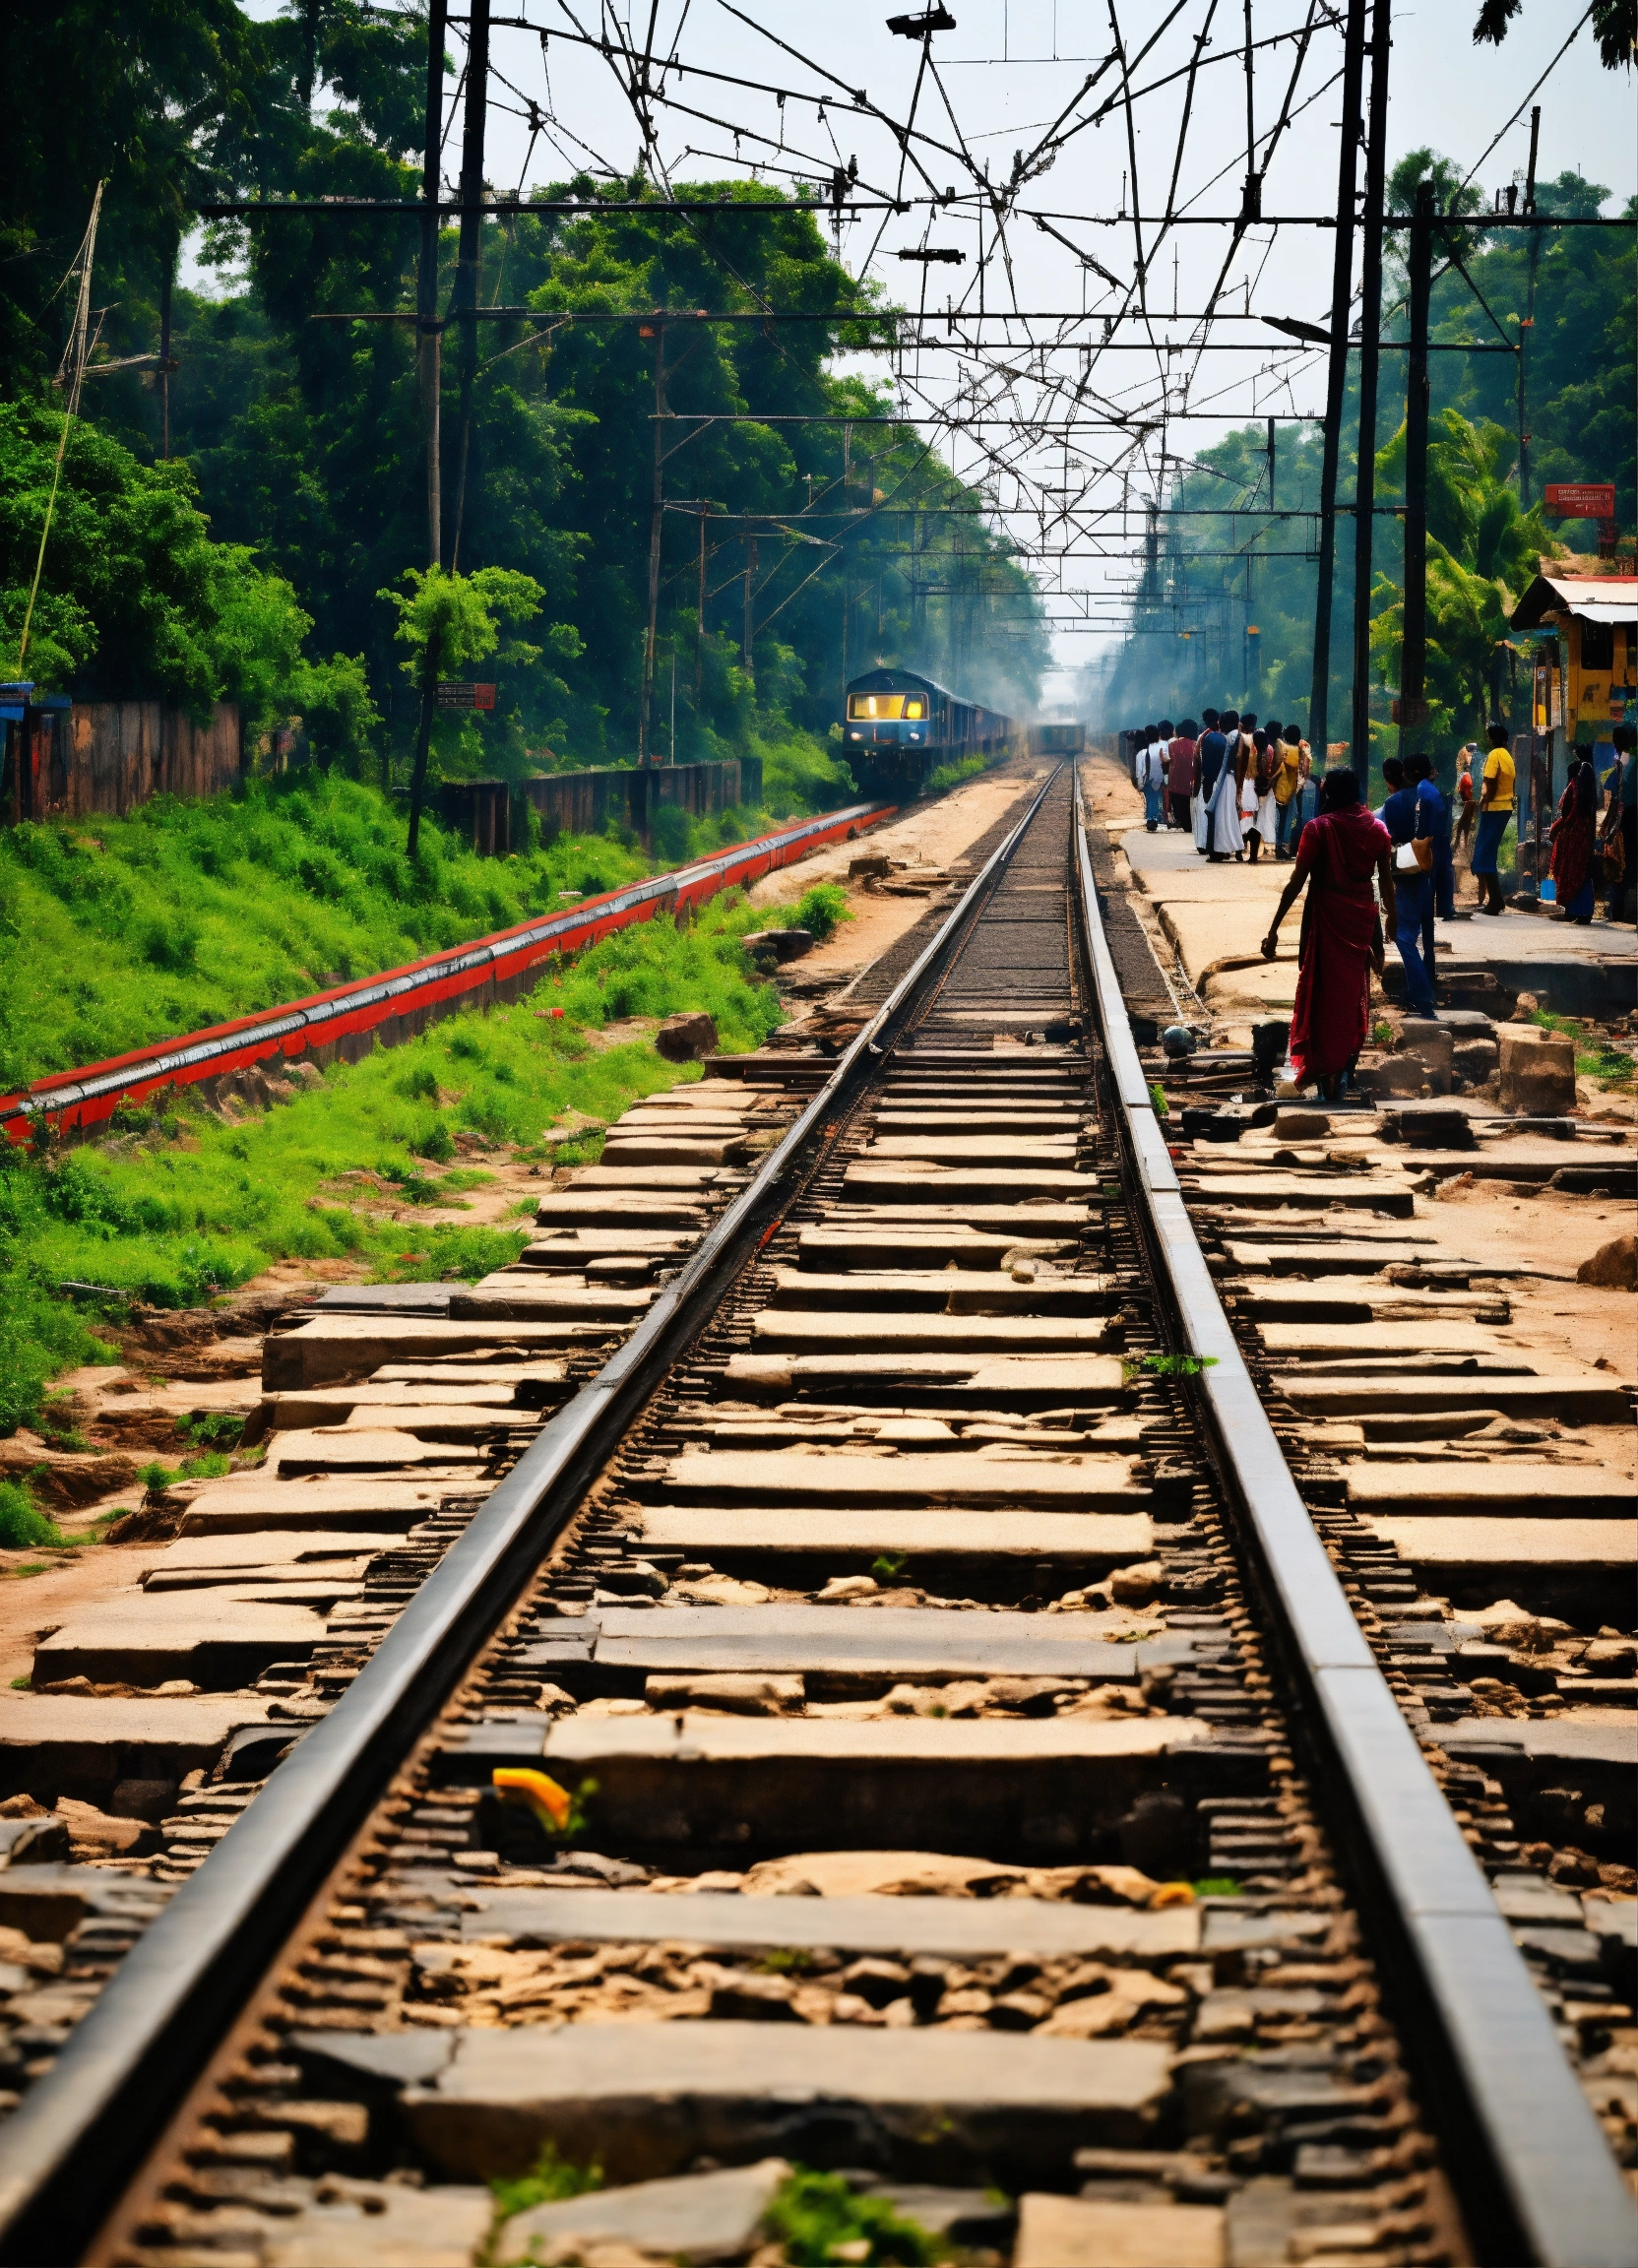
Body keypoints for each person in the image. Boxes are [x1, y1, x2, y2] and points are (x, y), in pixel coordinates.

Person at [1261, 768, 1396, 1102]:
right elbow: (1386, 882)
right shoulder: (1377, 830)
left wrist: (1274, 929)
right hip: (1361, 918)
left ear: (1328, 793)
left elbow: (1296, 882)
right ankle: (1343, 1066)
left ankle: (1327, 1067)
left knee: (1322, 994)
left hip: (1326, 915)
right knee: (1351, 995)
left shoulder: (1318, 828)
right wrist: (1392, 916)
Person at [1379, 756, 1435, 1017]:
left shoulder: (1393, 803)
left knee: (1403, 937)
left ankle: (1423, 996)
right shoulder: (1428, 796)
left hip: (1404, 869)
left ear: (1389, 780)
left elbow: (1389, 840)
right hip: (1427, 868)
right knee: (1418, 934)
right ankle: (1420, 990)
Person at [1548, 745, 1599, 924]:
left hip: (1573, 835)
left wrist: (1557, 827)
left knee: (1571, 872)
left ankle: (1575, 910)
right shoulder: (1588, 785)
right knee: (1580, 872)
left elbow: (1569, 813)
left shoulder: (1575, 785)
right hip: (1581, 835)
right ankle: (1581, 910)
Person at [1473, 723, 1515, 915]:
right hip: (1505, 807)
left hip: (1494, 808)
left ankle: (1496, 901)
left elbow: (1489, 783)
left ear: (1491, 738)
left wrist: (1481, 804)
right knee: (1488, 851)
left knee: (1484, 852)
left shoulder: (1494, 755)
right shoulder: (1507, 756)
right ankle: (1495, 899)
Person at [1199, 707, 1245, 861]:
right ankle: (1232, 847)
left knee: (1221, 815)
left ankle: (1220, 849)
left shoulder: (1229, 739)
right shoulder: (1238, 736)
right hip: (1232, 780)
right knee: (1229, 815)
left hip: (1225, 780)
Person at [1272, 722, 1302, 857]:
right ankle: (1281, 845)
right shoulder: (1298, 751)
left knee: (1277, 818)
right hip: (1290, 788)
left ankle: (1275, 844)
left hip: (1277, 786)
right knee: (1286, 819)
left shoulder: (1279, 746)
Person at [1167, 720, 1197, 832]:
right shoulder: (1196, 745)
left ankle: (1184, 824)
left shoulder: (1172, 745)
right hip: (1191, 782)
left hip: (1175, 783)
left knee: (1179, 808)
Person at [1135, 727, 1166, 831]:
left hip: (1147, 780)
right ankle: (1154, 818)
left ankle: (1151, 819)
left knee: (1150, 800)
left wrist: (1140, 785)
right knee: (1156, 800)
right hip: (1157, 779)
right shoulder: (1161, 750)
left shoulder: (1141, 753)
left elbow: (1138, 772)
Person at [1454, 744, 1478, 856]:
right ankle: (1460, 844)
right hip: (1468, 802)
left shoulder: (1468, 775)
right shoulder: (1465, 776)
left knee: (1465, 824)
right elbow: (1461, 790)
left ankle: (1462, 844)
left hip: (1470, 802)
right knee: (1464, 823)